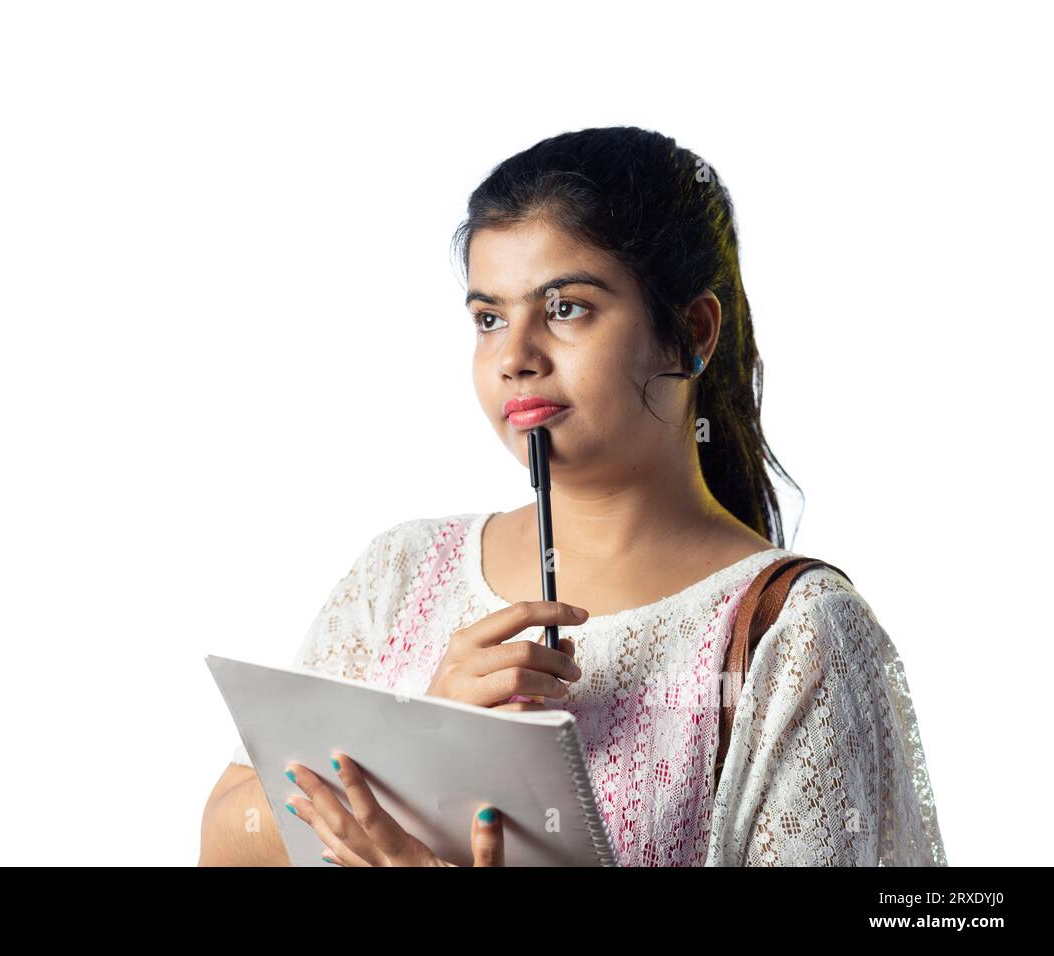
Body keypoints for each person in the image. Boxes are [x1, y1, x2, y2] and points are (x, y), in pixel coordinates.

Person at [198, 125, 948, 867]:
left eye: (565, 308)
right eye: (489, 318)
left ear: (691, 331)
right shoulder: (402, 571)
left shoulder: (799, 637)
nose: (514, 358)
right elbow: (224, 847)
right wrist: (415, 744)